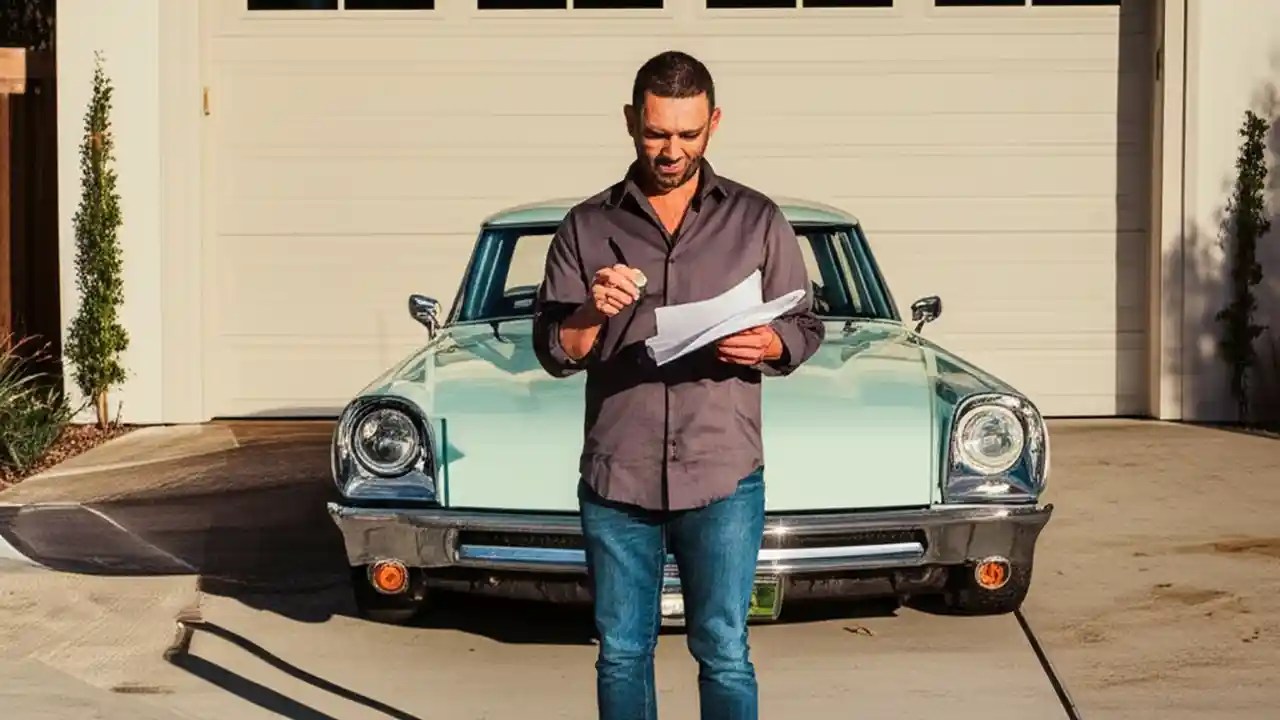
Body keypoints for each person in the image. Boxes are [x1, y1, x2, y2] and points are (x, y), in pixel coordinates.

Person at [531, 50, 824, 720]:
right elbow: (555, 351)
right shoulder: (586, 225)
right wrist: (591, 312)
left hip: (722, 475)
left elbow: (806, 324)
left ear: (714, 123)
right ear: (630, 121)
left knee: (724, 650)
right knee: (621, 653)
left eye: (688, 134)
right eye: (656, 133)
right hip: (619, 479)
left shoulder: (756, 219)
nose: (671, 151)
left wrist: (771, 343)